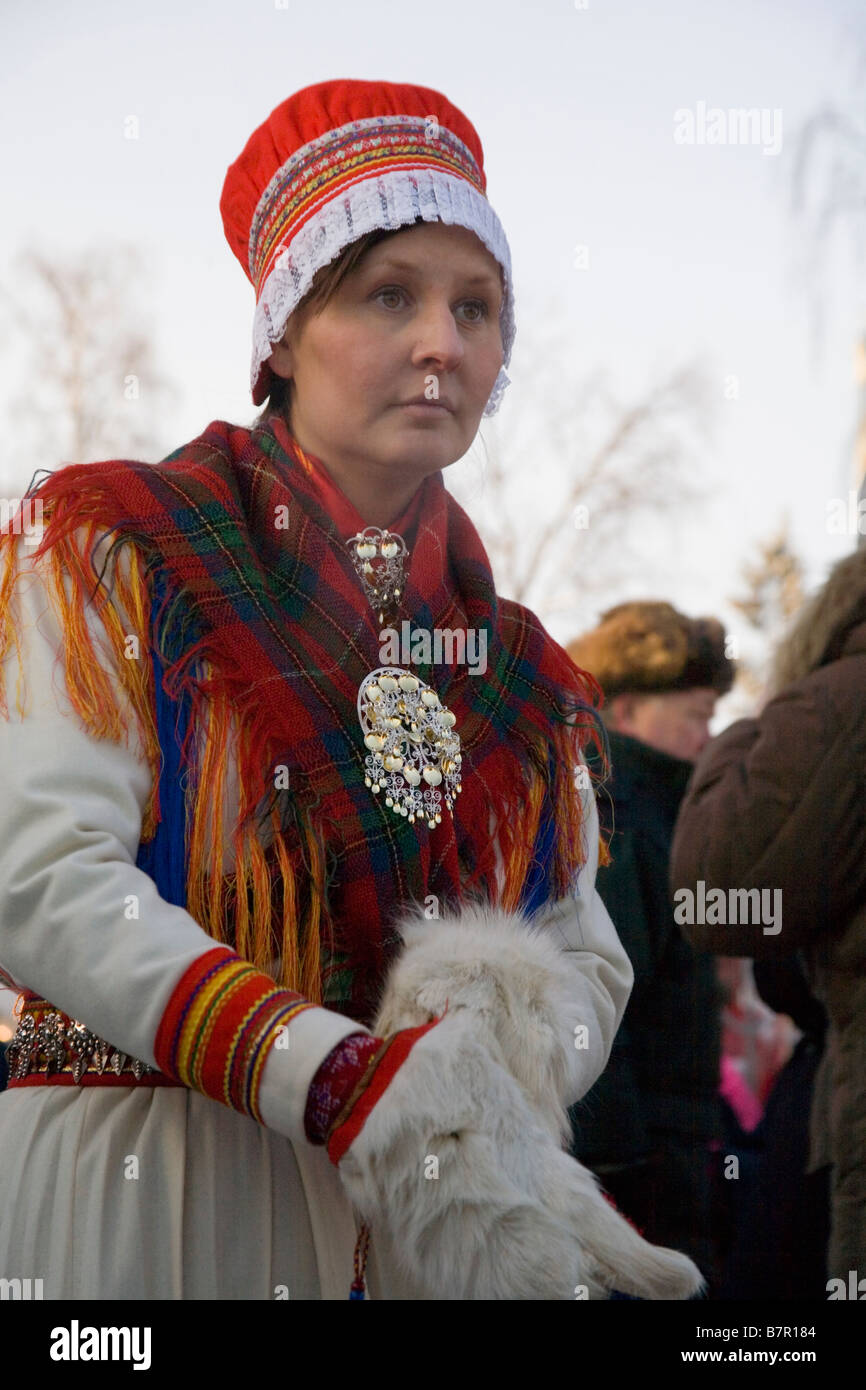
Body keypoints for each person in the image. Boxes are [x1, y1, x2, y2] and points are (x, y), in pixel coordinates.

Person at [0, 79, 703, 1301]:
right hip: (151, 1201)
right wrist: (326, 1074)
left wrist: (485, 1049)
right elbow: (41, 873)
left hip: (429, 1234)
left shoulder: (528, 678)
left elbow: (591, 964)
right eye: (391, 296)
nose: (446, 342)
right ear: (279, 332)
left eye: (476, 308)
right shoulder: (119, 550)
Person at [670, 543, 866, 1290]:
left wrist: (759, 727)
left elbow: (713, 889)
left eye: (713, 716)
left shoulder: (836, 697)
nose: (705, 732)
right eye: (697, 716)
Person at [566, 600, 734, 1288]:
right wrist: (621, 1169)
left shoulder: (655, 810)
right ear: (628, 711)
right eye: (695, 714)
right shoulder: (621, 818)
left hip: (661, 1150)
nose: (708, 734)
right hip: (641, 1168)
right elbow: (602, 999)